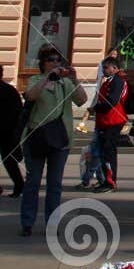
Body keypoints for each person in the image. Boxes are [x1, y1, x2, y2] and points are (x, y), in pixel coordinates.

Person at [20, 48, 87, 236]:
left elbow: (82, 100)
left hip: (60, 140)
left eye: (58, 60)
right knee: (32, 181)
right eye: (51, 60)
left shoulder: (65, 83)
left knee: (55, 183)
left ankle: (52, 223)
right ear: (43, 63)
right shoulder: (35, 80)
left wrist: (74, 80)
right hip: (37, 138)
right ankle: (27, 222)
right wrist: (47, 78)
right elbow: (31, 96)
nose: (55, 63)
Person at [93, 55, 128, 192]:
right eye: (103, 68)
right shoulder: (110, 80)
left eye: (106, 67)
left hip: (112, 120)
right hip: (105, 121)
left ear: (115, 68)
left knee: (108, 152)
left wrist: (96, 108)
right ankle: (105, 179)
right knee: (103, 152)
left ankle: (110, 181)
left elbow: (111, 101)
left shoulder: (117, 81)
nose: (104, 70)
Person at [0, 69, 23, 197]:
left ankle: (19, 185)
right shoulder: (10, 90)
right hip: (8, 131)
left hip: (7, 130)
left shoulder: (9, 90)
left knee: (9, 160)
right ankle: (19, 185)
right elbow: (19, 110)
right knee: (9, 160)